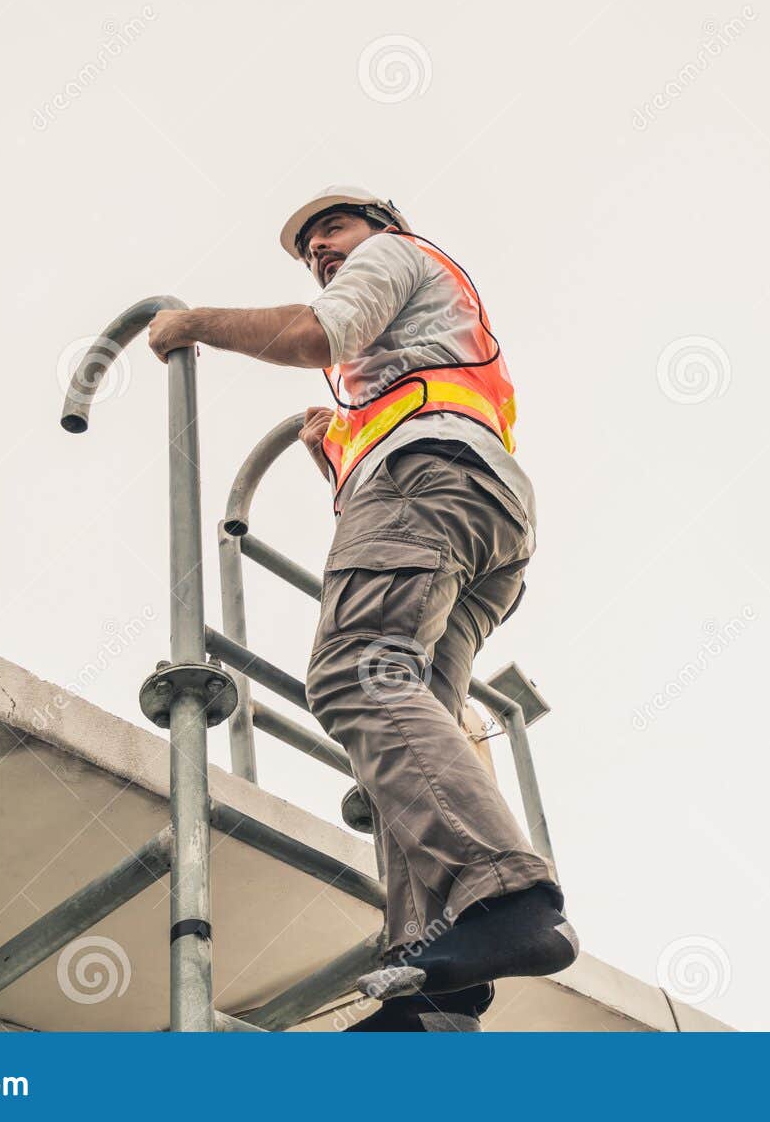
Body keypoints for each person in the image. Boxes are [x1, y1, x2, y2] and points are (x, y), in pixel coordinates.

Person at [145, 185, 578, 1032]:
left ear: (385, 226)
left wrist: (192, 324)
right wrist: (331, 453)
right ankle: (433, 985)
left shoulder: (393, 256)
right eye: (308, 248)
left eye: (331, 228)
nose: (319, 250)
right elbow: (397, 455)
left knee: (355, 672)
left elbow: (318, 335)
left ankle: (507, 895)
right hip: (483, 514)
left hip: (434, 483)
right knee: (412, 726)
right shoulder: (413, 347)